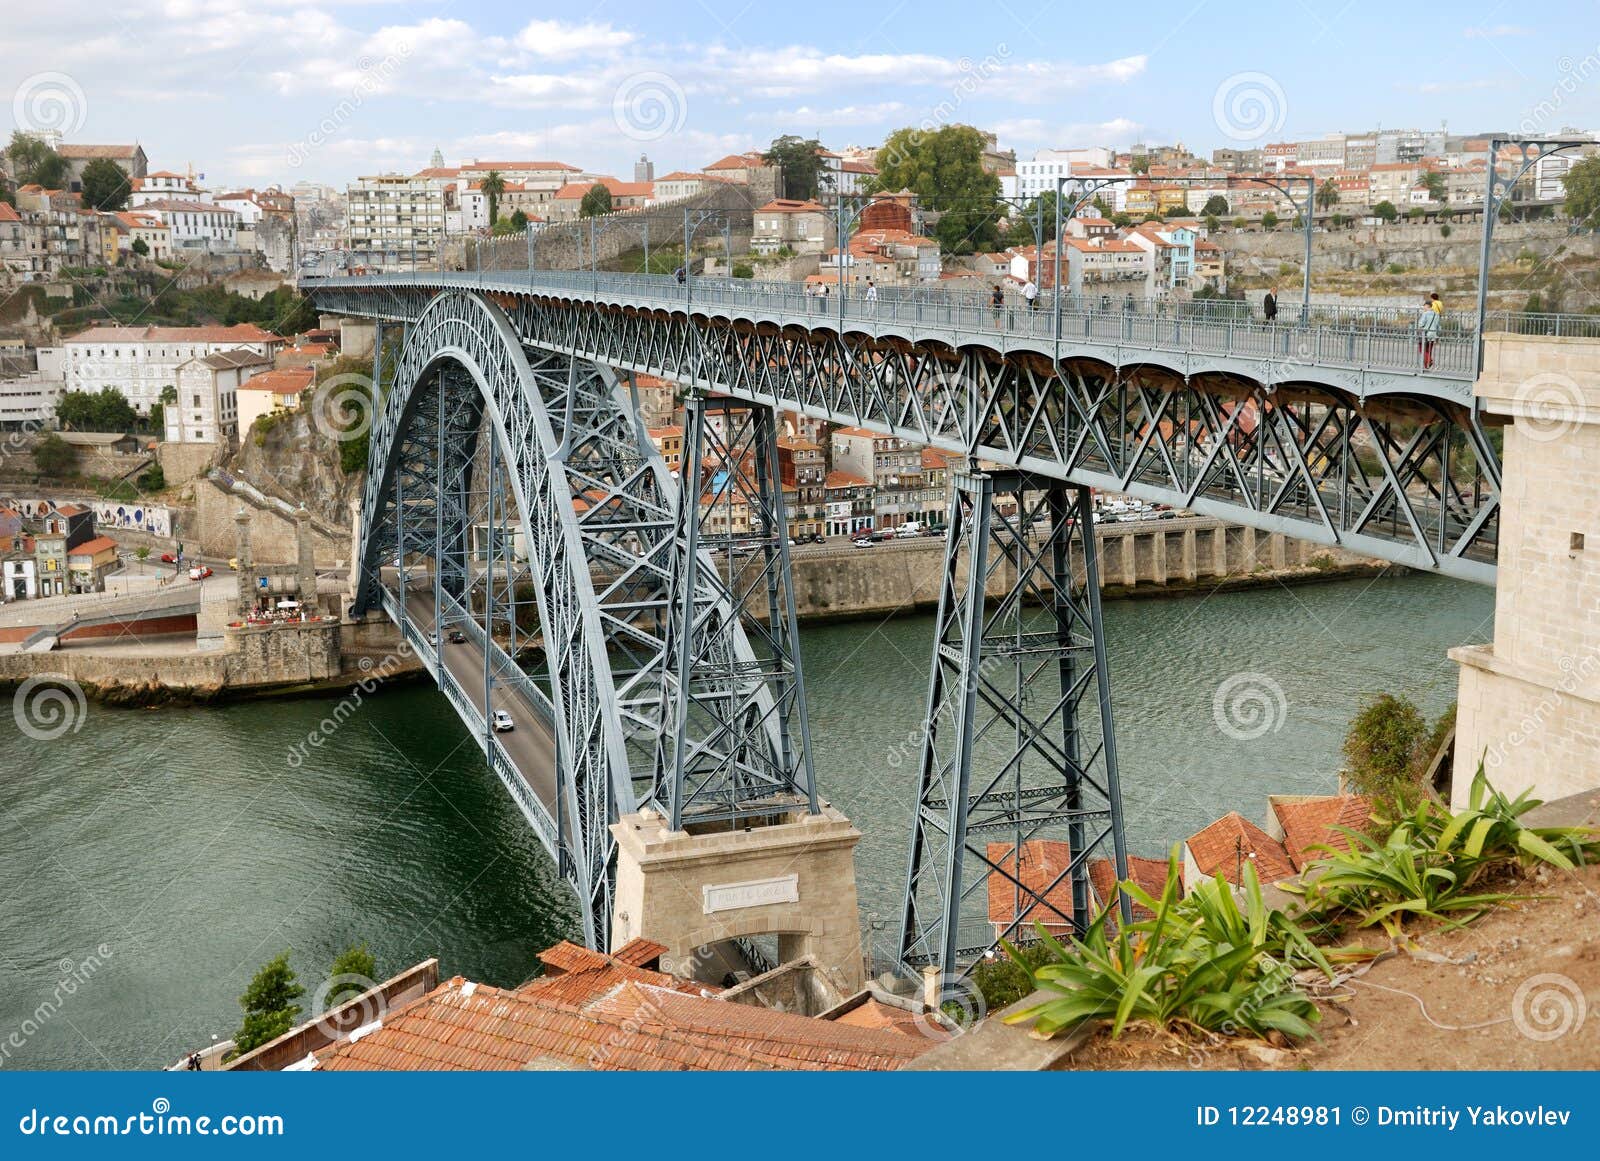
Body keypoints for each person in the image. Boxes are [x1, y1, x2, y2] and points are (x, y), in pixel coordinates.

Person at [1417, 294, 1440, 369]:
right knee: (1429, 350)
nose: (1423, 307)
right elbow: (1438, 326)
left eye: (1424, 306)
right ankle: (1426, 365)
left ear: (1427, 306)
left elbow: (1421, 324)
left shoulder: (1425, 314)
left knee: (1422, 349)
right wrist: (1437, 336)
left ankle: (1429, 361)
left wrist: (1419, 327)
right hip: (1433, 334)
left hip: (1425, 334)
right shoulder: (1436, 314)